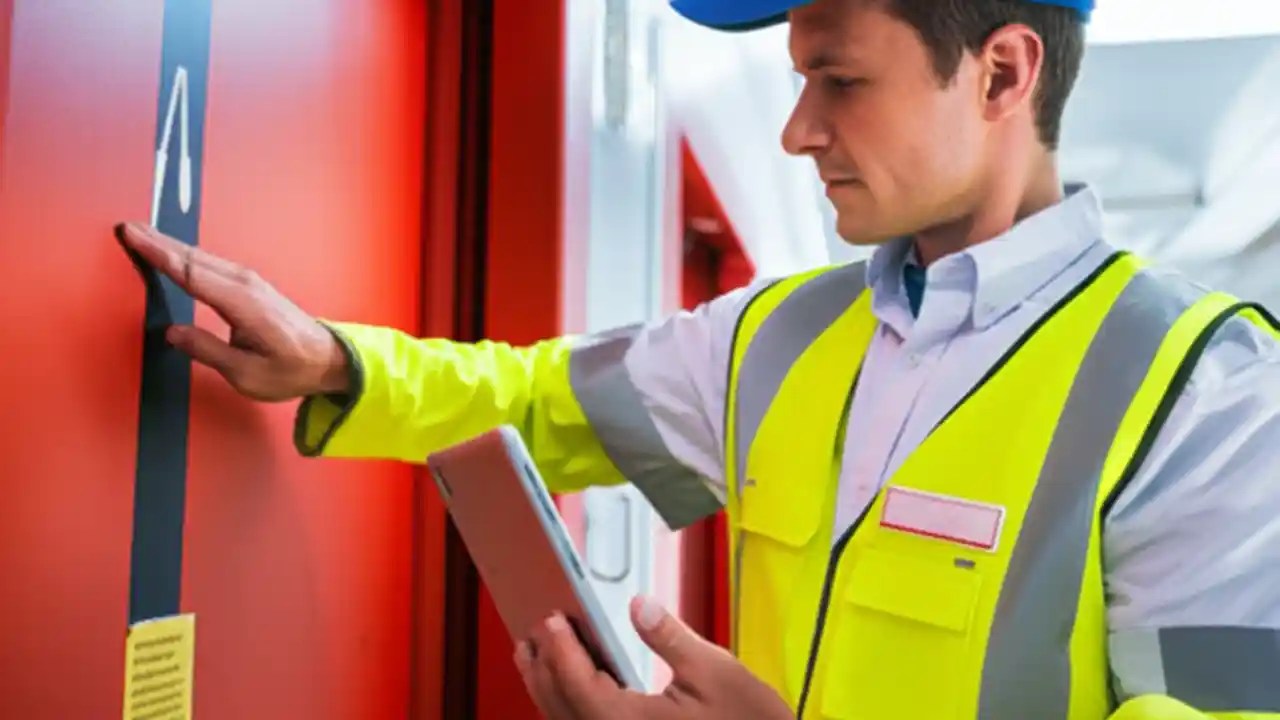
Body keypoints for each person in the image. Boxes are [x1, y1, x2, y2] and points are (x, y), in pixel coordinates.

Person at [115, 0, 1280, 717]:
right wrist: (333, 365)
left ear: (1000, 72)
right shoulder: (774, 339)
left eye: (840, 79)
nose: (797, 130)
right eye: (795, 82)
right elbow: (534, 399)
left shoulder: (1202, 394)